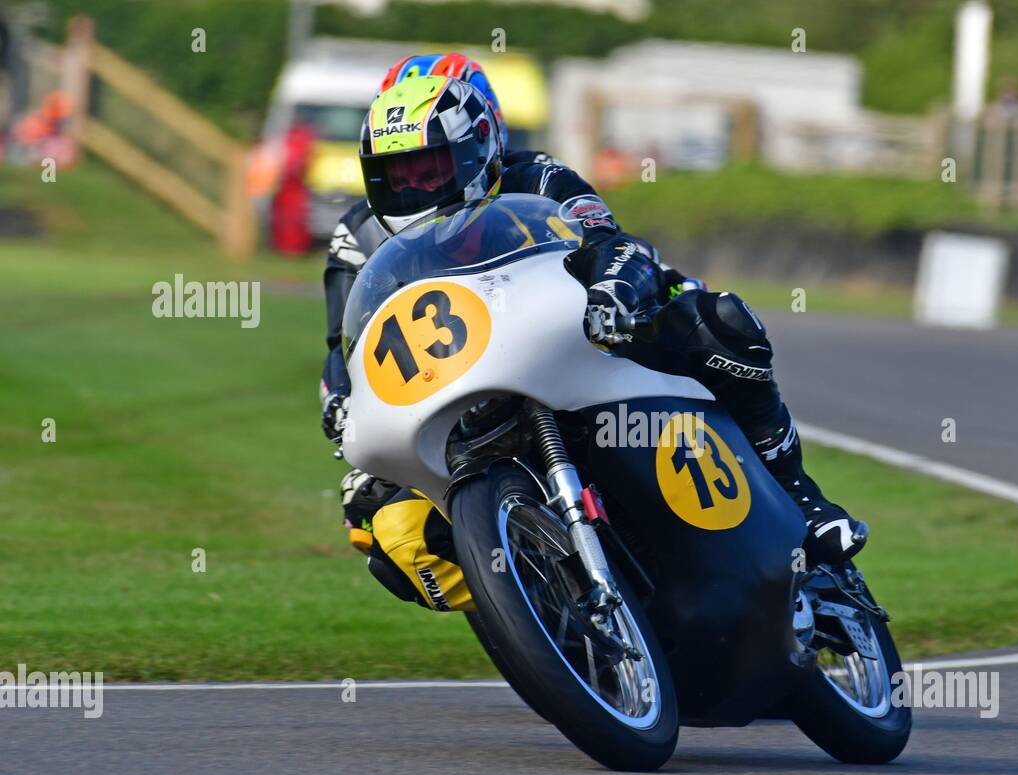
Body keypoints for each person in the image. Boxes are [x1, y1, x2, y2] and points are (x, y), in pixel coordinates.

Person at [321, 55, 868, 613]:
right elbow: (344, 345)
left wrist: (615, 293)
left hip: (582, 327)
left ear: (477, 141)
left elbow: (610, 240)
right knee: (376, 518)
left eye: (430, 168)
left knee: (722, 321)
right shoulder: (358, 235)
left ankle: (803, 496)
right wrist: (342, 408)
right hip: (455, 377)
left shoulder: (536, 175)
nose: (415, 186)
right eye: (399, 175)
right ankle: (533, 595)